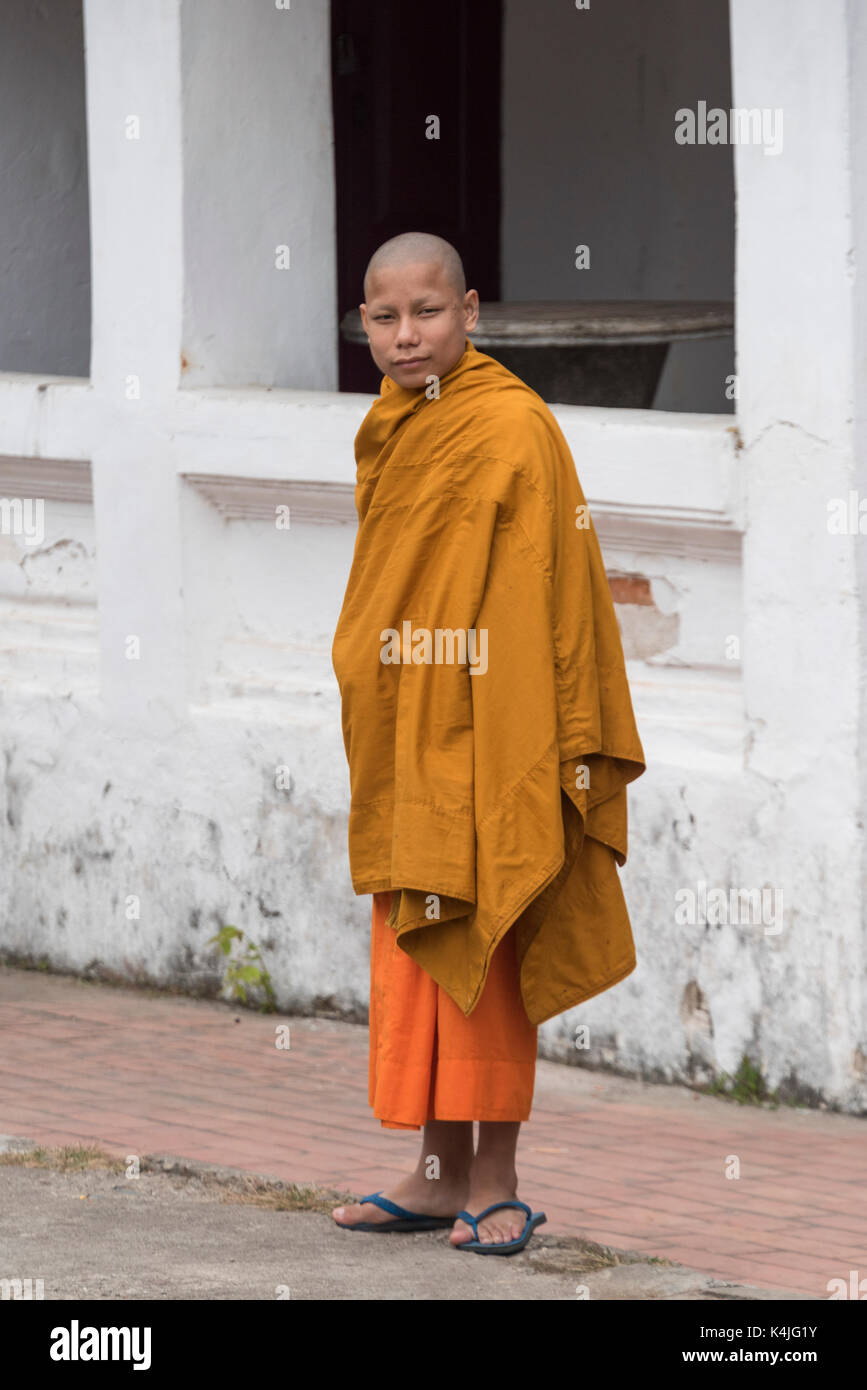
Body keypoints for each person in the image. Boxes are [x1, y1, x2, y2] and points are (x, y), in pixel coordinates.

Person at [330, 232, 645, 1253]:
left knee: (493, 935)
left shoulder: (513, 427)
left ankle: (496, 1180)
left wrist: (533, 734)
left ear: (472, 312)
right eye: (384, 317)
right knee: (420, 946)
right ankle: (432, 1174)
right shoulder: (392, 426)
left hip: (497, 732)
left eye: (428, 312)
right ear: (365, 325)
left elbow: (552, 595)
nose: (406, 335)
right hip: (412, 728)